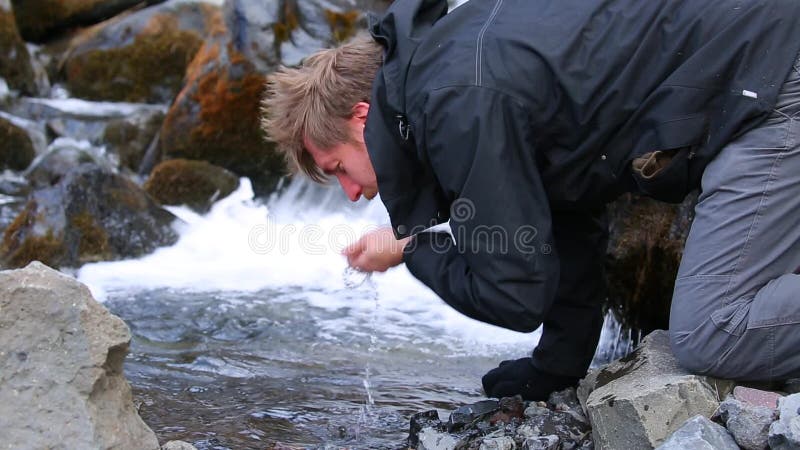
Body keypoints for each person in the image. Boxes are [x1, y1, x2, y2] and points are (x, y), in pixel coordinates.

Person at [262, 0, 800, 400]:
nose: (352, 194)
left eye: (339, 170)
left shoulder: (454, 103)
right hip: (757, 60)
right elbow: (568, 218)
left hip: (768, 78)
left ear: (361, 117)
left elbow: (515, 292)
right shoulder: (447, 72)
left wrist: (412, 250)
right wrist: (556, 369)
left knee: (712, 333)